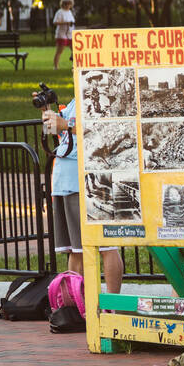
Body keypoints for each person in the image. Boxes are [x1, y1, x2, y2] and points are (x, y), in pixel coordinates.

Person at [43, 97, 123, 293]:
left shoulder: (102, 97)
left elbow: (105, 131)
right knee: (75, 250)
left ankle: (113, 306)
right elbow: (55, 132)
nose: (73, 69)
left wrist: (67, 125)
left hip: (91, 179)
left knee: (106, 246)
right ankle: (78, 305)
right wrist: (46, 112)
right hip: (66, 182)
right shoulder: (74, 100)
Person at [53, 0, 76, 69]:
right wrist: (65, 23)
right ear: (63, 4)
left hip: (70, 34)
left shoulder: (69, 12)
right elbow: (55, 22)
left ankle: (74, 65)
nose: (68, 6)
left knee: (74, 50)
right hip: (61, 34)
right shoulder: (60, 12)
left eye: (69, 4)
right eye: (66, 4)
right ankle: (56, 66)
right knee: (60, 51)